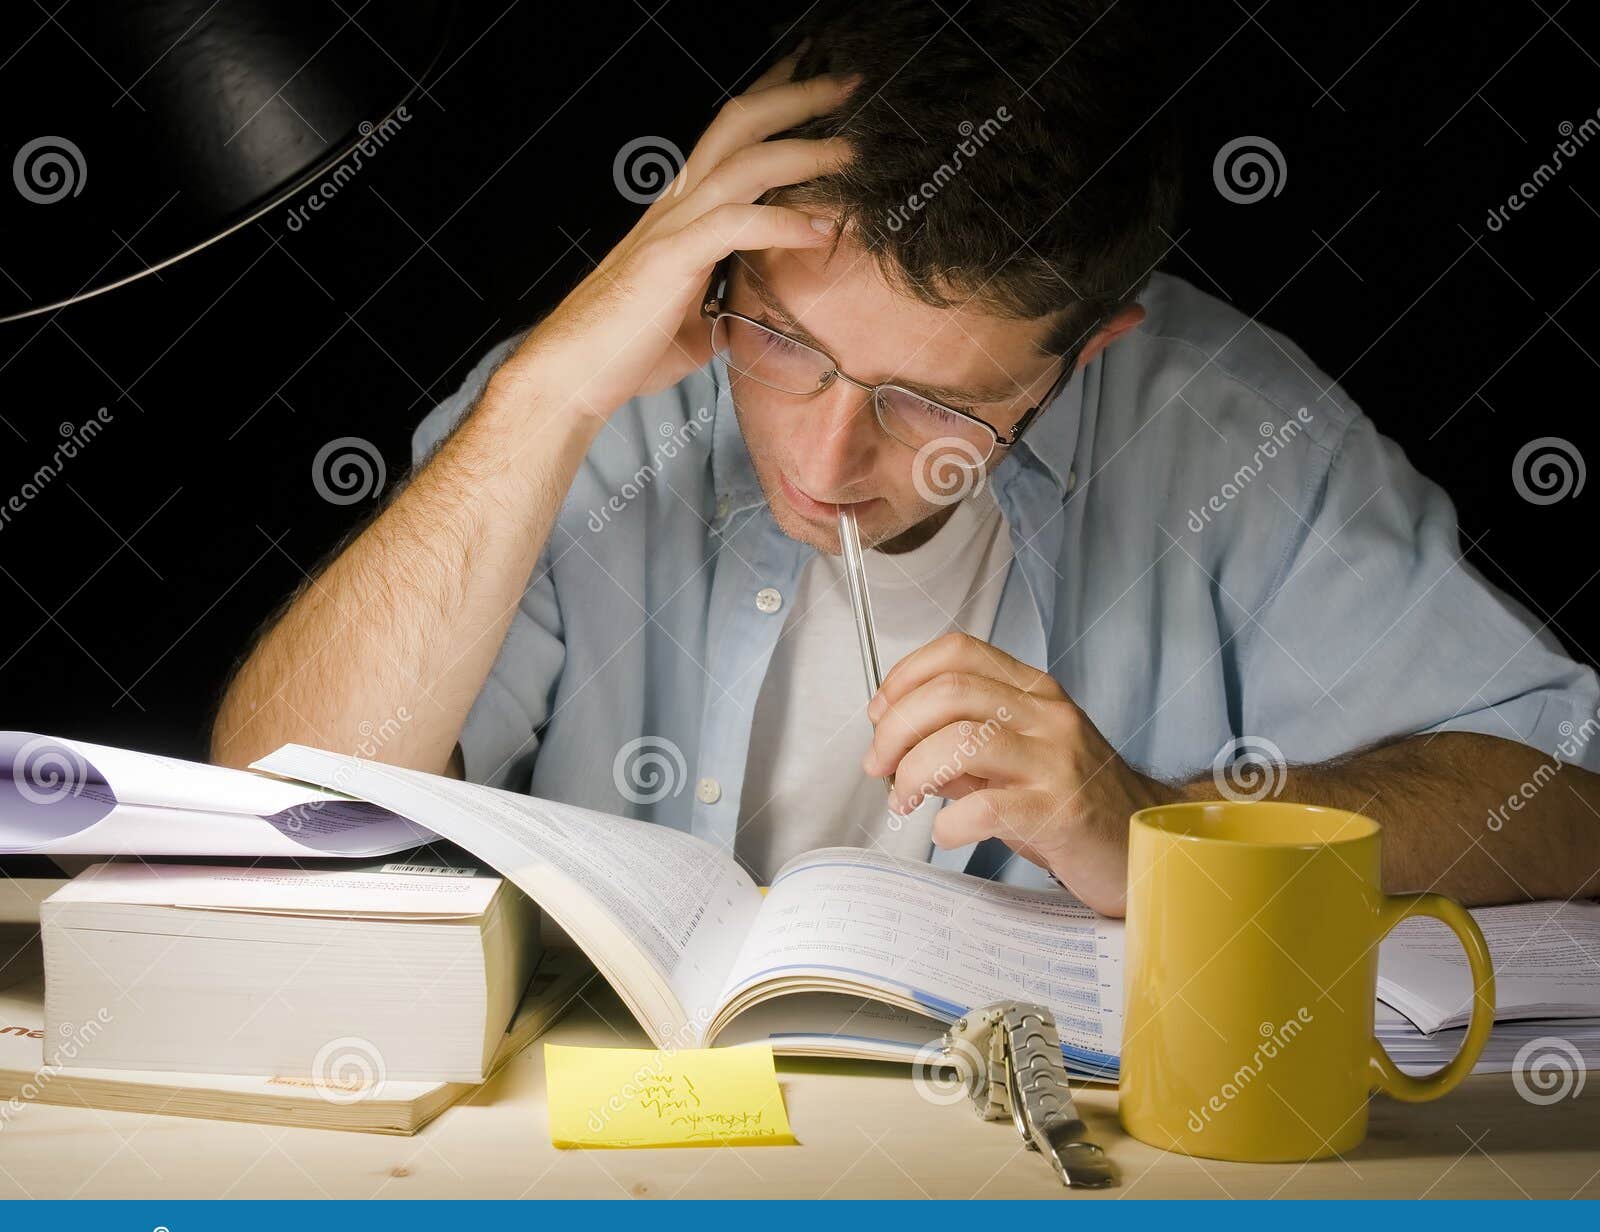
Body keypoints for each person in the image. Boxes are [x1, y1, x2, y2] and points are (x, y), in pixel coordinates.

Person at [211, 1, 1600, 915]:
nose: (826, 457)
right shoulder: (601, 382)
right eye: (785, 340)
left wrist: (1162, 828)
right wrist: (542, 395)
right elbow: (276, 798)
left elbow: (1564, 806)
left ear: (1089, 349)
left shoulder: (1228, 431)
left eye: (938, 405)